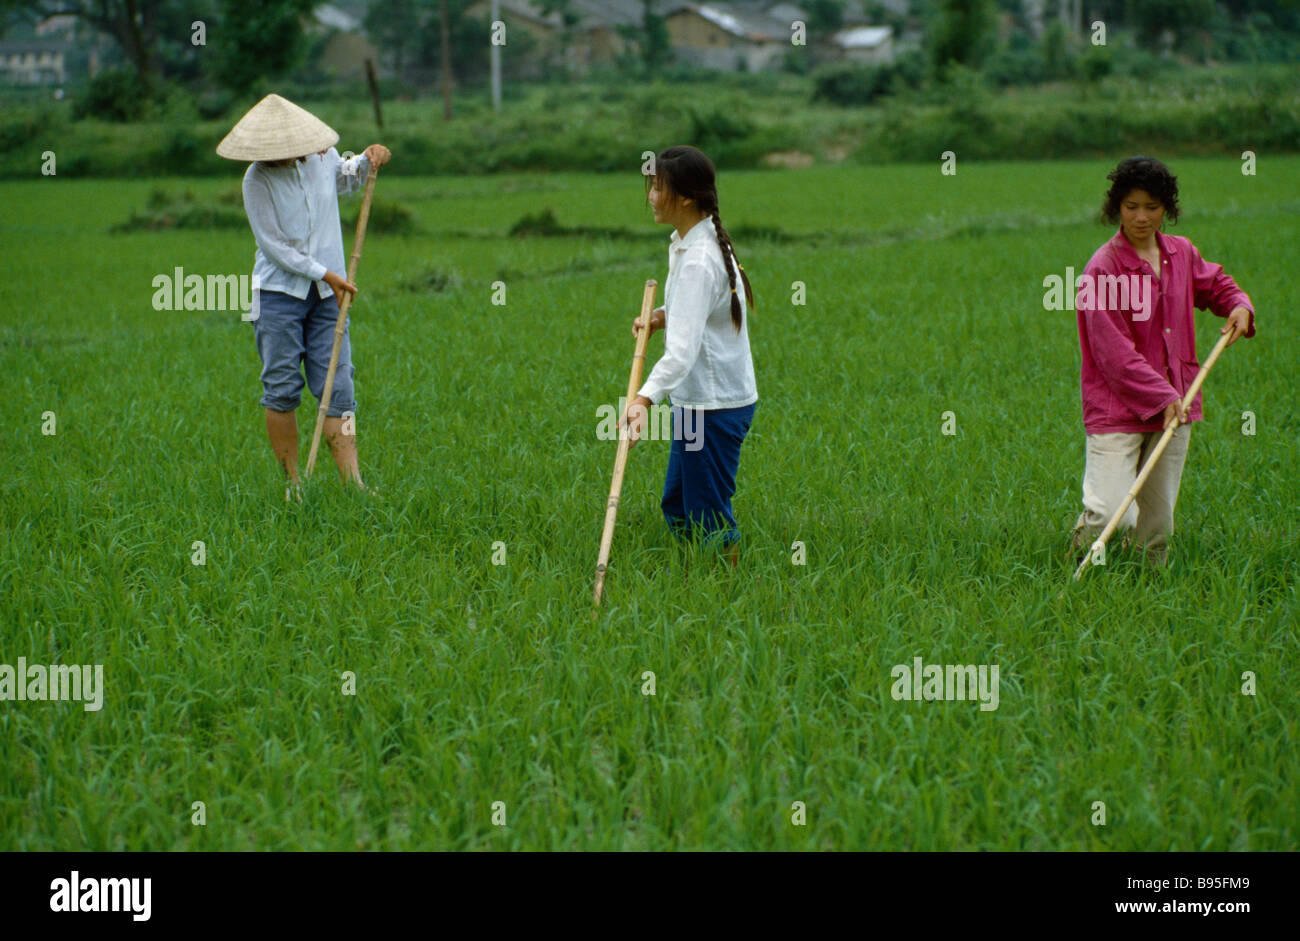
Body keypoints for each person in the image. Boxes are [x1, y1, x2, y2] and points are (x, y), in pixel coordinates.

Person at [1071, 156, 1254, 566]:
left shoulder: (1181, 253)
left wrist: (1238, 305)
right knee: (1107, 513)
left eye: (1152, 207)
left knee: (1156, 522)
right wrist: (1162, 394)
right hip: (1117, 408)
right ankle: (1078, 554)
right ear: (1116, 207)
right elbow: (1112, 352)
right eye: (1131, 206)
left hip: (1177, 403)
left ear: (1166, 208)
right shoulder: (1101, 269)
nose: (1141, 217)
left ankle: (1149, 588)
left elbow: (1217, 286)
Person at [216, 93, 391, 501]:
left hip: (331, 295)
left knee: (339, 385)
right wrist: (326, 273)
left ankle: (354, 484)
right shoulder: (256, 180)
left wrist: (369, 159)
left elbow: (346, 176)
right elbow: (276, 247)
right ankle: (293, 484)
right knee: (281, 387)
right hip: (278, 294)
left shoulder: (322, 158)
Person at [620, 145, 758, 566]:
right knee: (678, 505)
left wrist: (642, 400)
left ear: (683, 197)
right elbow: (700, 310)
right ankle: (696, 574)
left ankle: (729, 585)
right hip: (695, 404)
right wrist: (663, 316)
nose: (650, 196)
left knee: (708, 512)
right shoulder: (686, 242)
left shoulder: (700, 258)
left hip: (714, 408)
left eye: (657, 187)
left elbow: (682, 353)